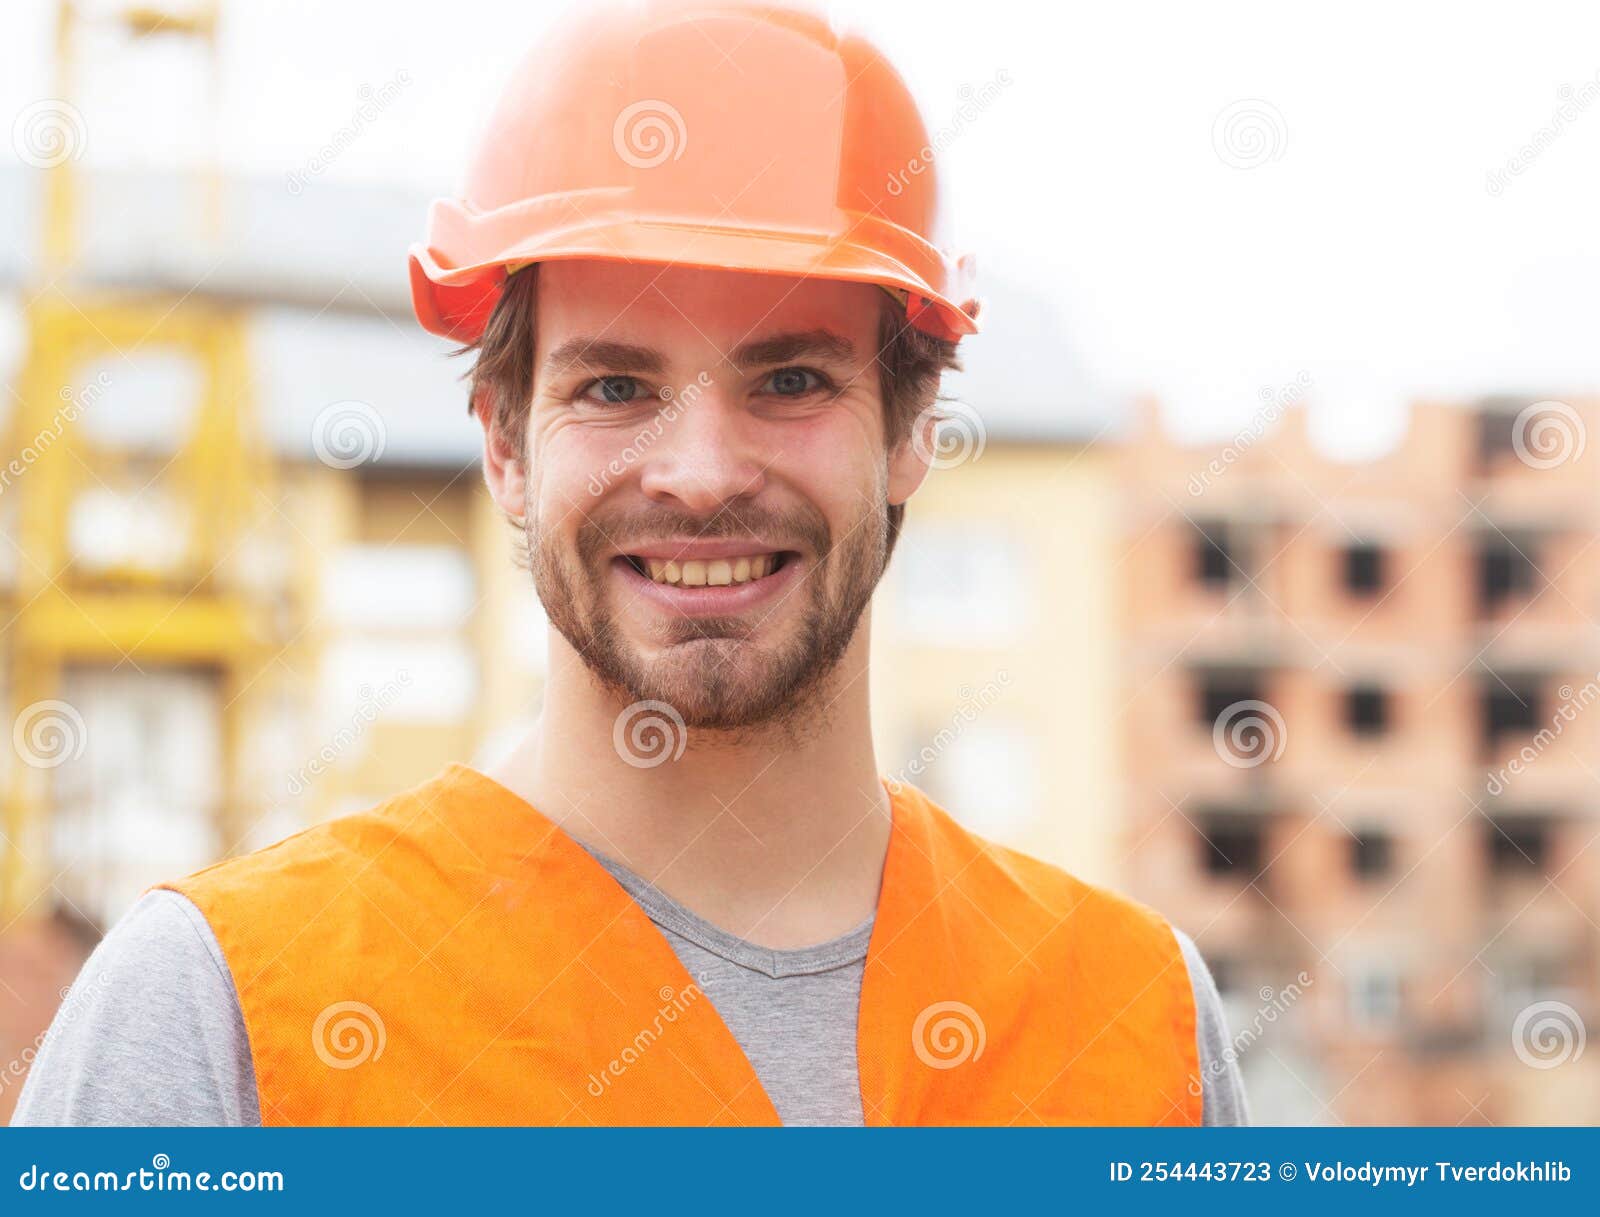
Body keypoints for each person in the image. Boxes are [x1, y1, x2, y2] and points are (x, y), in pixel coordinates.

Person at [14, 0, 1247, 1127]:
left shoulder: (1137, 1022)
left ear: (911, 427)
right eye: (614, 385)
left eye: (790, 379)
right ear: (503, 442)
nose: (700, 470)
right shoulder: (223, 1018)